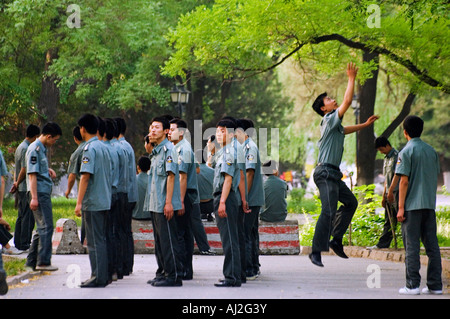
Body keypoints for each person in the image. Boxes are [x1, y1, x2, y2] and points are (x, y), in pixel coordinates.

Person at [309, 62, 379, 267]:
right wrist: (351, 78)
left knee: (351, 203)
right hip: (324, 172)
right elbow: (347, 102)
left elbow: (346, 129)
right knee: (328, 210)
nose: (333, 100)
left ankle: (336, 240)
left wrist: (365, 125)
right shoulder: (329, 119)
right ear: (324, 108)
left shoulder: (334, 125)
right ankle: (315, 251)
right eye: (329, 100)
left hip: (332, 174)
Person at [395, 115, 442, 295]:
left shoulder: (405, 152)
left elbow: (404, 182)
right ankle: (435, 285)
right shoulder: (431, 151)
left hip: (412, 207)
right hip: (429, 205)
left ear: (405, 132)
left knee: (412, 246)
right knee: (432, 246)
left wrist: (400, 208)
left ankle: (412, 285)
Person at [145, 116, 183, 287]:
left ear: (166, 131)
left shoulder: (169, 150)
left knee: (168, 241)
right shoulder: (156, 151)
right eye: (151, 127)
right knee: (159, 241)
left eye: (156, 127)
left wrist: (169, 203)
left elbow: (171, 176)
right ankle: (162, 272)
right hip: (155, 203)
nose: (152, 130)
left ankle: (173, 275)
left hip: (164, 204)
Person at [75, 114, 112, 288]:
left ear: (83, 129)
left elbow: (85, 176)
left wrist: (79, 202)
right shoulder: (104, 147)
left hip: (93, 201)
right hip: (104, 198)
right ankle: (102, 275)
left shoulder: (89, 148)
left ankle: (97, 276)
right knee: (101, 239)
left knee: (94, 241)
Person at [25, 122, 62, 272]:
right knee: (47, 227)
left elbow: (38, 169)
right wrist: (34, 197)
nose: (54, 142)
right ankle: (44, 262)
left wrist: (47, 170)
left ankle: (31, 261)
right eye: (55, 139)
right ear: (48, 136)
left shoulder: (42, 149)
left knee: (41, 228)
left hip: (42, 192)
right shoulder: (35, 149)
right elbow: (32, 175)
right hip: (38, 193)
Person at [213, 118, 242, 287]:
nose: (218, 134)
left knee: (230, 239)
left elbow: (228, 179)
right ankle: (233, 275)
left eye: (222, 131)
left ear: (231, 134)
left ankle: (231, 277)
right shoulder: (224, 151)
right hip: (225, 197)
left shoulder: (229, 152)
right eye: (217, 131)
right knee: (230, 238)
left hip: (226, 197)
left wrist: (222, 201)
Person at [237, 118, 264, 280]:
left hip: (251, 199)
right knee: (252, 233)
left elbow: (249, 173)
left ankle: (249, 269)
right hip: (252, 198)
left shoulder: (250, 148)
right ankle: (254, 266)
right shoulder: (246, 147)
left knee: (246, 233)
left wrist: (244, 197)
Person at [10, 124, 40, 254]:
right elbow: (24, 168)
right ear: (35, 136)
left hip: (21, 185)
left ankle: (19, 241)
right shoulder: (26, 148)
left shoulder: (20, 147)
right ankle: (23, 243)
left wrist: (16, 182)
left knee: (21, 215)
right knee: (26, 216)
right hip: (24, 186)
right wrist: (17, 183)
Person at [367, 136, 399, 250]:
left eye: (381, 149)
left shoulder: (397, 157)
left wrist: (391, 191)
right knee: (388, 219)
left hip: (397, 192)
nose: (381, 152)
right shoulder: (386, 159)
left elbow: (398, 175)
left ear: (387, 145)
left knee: (401, 217)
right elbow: (387, 178)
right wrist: (384, 195)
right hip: (388, 193)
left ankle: (408, 243)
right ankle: (383, 244)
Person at [115, 117, 138, 275]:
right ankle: (128, 265)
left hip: (123, 193)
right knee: (126, 231)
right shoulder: (127, 146)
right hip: (131, 194)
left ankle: (122, 265)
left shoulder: (119, 147)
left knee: (120, 231)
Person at [133, 156, 151, 220]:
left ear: (138, 167)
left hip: (135, 216)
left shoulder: (133, 180)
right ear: (149, 168)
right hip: (149, 216)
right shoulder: (152, 181)